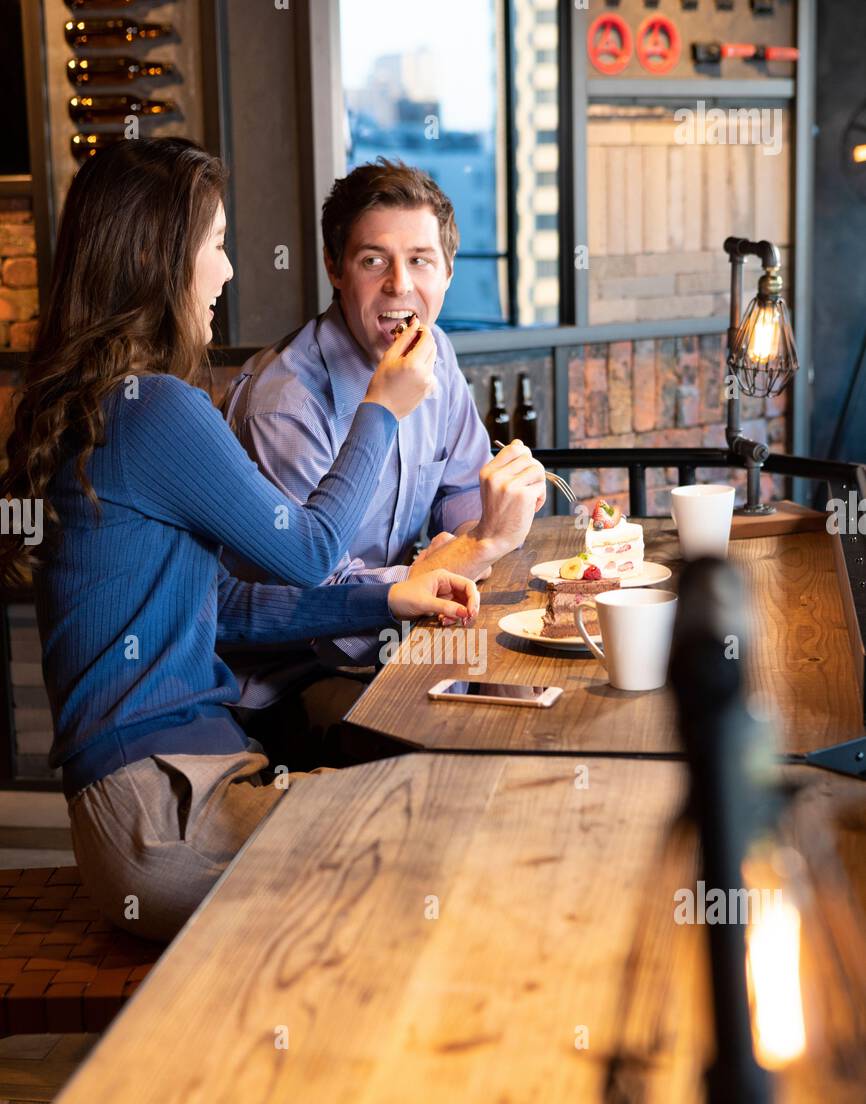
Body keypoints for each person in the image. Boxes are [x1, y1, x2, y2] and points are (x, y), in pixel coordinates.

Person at [0, 138, 479, 943]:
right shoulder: (155, 409)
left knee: (421, 817)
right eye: (216, 244)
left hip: (161, 796)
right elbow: (310, 548)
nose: (226, 272)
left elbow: (218, 608)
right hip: (166, 808)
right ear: (158, 254)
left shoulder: (110, 403)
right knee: (427, 846)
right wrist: (382, 408)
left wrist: (386, 596)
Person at [221, 158, 545, 768]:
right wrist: (469, 551)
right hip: (291, 679)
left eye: (420, 260)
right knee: (460, 747)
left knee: (534, 698)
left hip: (401, 638)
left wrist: (490, 518)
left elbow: (461, 492)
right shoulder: (284, 405)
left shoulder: (434, 353)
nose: (399, 284)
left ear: (447, 273)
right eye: (374, 260)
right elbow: (321, 606)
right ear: (335, 270)